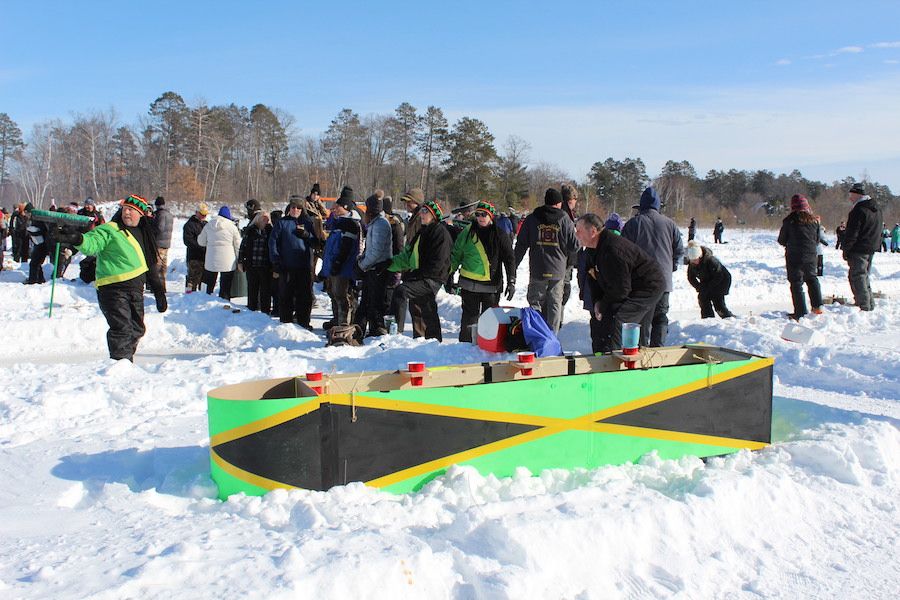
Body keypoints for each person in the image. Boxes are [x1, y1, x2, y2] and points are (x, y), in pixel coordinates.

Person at [57, 195, 167, 361]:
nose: (127, 213)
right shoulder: (110, 229)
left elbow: (150, 265)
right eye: (124, 209)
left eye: (132, 210)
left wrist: (159, 292)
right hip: (113, 289)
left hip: (135, 289)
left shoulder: (144, 234)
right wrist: (78, 239)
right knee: (122, 329)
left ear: (141, 214)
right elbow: (92, 243)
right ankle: (121, 365)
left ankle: (124, 363)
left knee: (137, 329)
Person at [575, 213, 665, 353]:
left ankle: (616, 358)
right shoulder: (593, 250)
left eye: (579, 231)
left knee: (619, 319)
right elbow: (594, 279)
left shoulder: (613, 250)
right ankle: (602, 355)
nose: (576, 234)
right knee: (601, 319)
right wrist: (598, 302)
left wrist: (604, 304)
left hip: (648, 285)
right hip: (626, 286)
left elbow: (621, 290)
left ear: (593, 231)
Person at [621, 186, 684, 347]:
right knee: (661, 316)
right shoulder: (670, 225)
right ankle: (659, 348)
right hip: (664, 280)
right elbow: (679, 250)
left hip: (642, 281)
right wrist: (672, 267)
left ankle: (641, 350)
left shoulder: (633, 224)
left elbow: (622, 252)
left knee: (642, 317)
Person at [447, 201, 516, 342]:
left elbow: (509, 259)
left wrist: (511, 281)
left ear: (491, 216)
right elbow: (456, 255)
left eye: (484, 214)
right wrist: (449, 274)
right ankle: (465, 349)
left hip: (491, 286)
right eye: (477, 214)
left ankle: (485, 348)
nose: (480, 217)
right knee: (469, 319)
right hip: (469, 284)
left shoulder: (499, 234)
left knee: (488, 320)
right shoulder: (467, 233)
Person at [514, 188, 578, 332]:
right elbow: (574, 245)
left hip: (538, 268)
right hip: (558, 270)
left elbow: (521, 244)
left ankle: (536, 334)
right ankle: (552, 337)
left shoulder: (532, 218)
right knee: (555, 304)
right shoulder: (565, 219)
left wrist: (514, 265)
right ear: (558, 203)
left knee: (535, 302)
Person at [389, 199, 452, 341]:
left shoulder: (440, 232)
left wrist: (416, 275)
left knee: (402, 291)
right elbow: (408, 256)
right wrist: (388, 265)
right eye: (422, 211)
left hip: (432, 278)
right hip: (421, 276)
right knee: (425, 307)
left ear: (434, 215)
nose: (422, 214)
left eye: (426, 212)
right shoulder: (422, 232)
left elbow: (438, 262)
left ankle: (395, 334)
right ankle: (430, 341)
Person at [269, 197, 319, 327]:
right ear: (289, 208)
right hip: (286, 265)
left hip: (304, 266)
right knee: (286, 295)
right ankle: (286, 323)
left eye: (298, 208)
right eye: (293, 207)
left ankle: (304, 322)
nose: (295, 210)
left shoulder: (307, 222)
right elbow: (273, 242)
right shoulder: (282, 223)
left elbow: (316, 243)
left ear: (302, 210)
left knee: (304, 296)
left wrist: (306, 235)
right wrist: (276, 261)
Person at [320, 189, 361, 328]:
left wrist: (338, 263)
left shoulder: (350, 224)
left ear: (345, 208)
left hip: (343, 268)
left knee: (341, 296)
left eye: (337, 207)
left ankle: (344, 325)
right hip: (333, 265)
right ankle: (336, 321)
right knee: (333, 293)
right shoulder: (339, 222)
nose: (333, 209)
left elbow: (346, 248)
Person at [777, 194, 823, 319]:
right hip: (811, 255)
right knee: (812, 279)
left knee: (796, 283)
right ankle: (817, 306)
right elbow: (818, 239)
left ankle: (800, 312)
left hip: (794, 256)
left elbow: (781, 240)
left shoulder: (789, 220)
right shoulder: (814, 221)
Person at [357, 194, 394, 337]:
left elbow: (376, 252)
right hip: (373, 268)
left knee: (374, 303)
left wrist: (362, 265)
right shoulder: (376, 223)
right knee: (366, 301)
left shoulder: (380, 224)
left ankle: (376, 331)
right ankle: (360, 329)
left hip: (378, 269)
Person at [842, 183, 882, 311]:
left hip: (859, 248)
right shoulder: (875, 208)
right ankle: (869, 303)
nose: (850, 198)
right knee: (864, 276)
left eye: (851, 195)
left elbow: (852, 232)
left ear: (858, 194)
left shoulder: (859, 210)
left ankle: (863, 305)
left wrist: (846, 249)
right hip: (870, 247)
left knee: (858, 276)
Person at [198, 206, 241, 300]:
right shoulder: (232, 227)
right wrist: (239, 259)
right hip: (228, 262)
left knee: (209, 284)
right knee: (225, 286)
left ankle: (206, 301)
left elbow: (201, 241)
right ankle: (224, 303)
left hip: (211, 260)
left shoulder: (209, 225)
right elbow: (237, 245)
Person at [685, 240, 733, 319]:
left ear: (700, 256)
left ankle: (729, 319)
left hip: (722, 281)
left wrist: (707, 287)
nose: (694, 262)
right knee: (702, 298)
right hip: (707, 281)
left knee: (718, 304)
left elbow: (719, 275)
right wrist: (699, 287)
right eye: (692, 260)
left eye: (695, 259)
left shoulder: (711, 260)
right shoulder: (692, 263)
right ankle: (708, 320)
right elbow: (691, 278)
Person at [238, 211, 273, 314]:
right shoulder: (250, 231)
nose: (265, 221)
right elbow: (242, 247)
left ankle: (265, 311)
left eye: (267, 219)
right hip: (251, 264)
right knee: (252, 288)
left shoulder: (270, 231)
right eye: (263, 219)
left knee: (265, 290)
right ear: (258, 219)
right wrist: (240, 261)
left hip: (266, 265)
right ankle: (251, 309)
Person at [149, 196, 173, 293]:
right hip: (166, 243)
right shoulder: (169, 214)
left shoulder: (160, 214)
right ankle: (162, 287)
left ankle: (157, 288)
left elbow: (159, 228)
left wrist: (151, 230)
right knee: (163, 267)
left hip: (159, 243)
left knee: (157, 267)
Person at [182, 203, 209, 292]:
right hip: (194, 257)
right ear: (197, 212)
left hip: (205, 257)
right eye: (202, 214)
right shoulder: (189, 225)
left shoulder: (206, 224)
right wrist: (201, 246)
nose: (204, 216)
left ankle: (202, 298)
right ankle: (188, 295)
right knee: (192, 279)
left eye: (205, 214)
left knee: (204, 281)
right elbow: (188, 241)